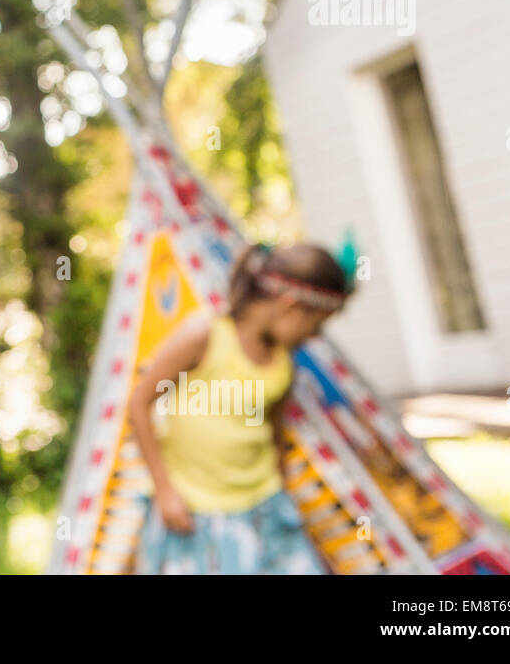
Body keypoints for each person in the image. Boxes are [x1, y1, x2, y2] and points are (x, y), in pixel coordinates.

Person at [126, 241, 355, 574]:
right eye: (316, 325)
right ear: (291, 307)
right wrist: (163, 489)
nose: (315, 336)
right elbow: (139, 403)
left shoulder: (283, 363)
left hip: (262, 506)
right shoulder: (203, 335)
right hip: (196, 510)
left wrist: (283, 489)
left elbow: (275, 432)